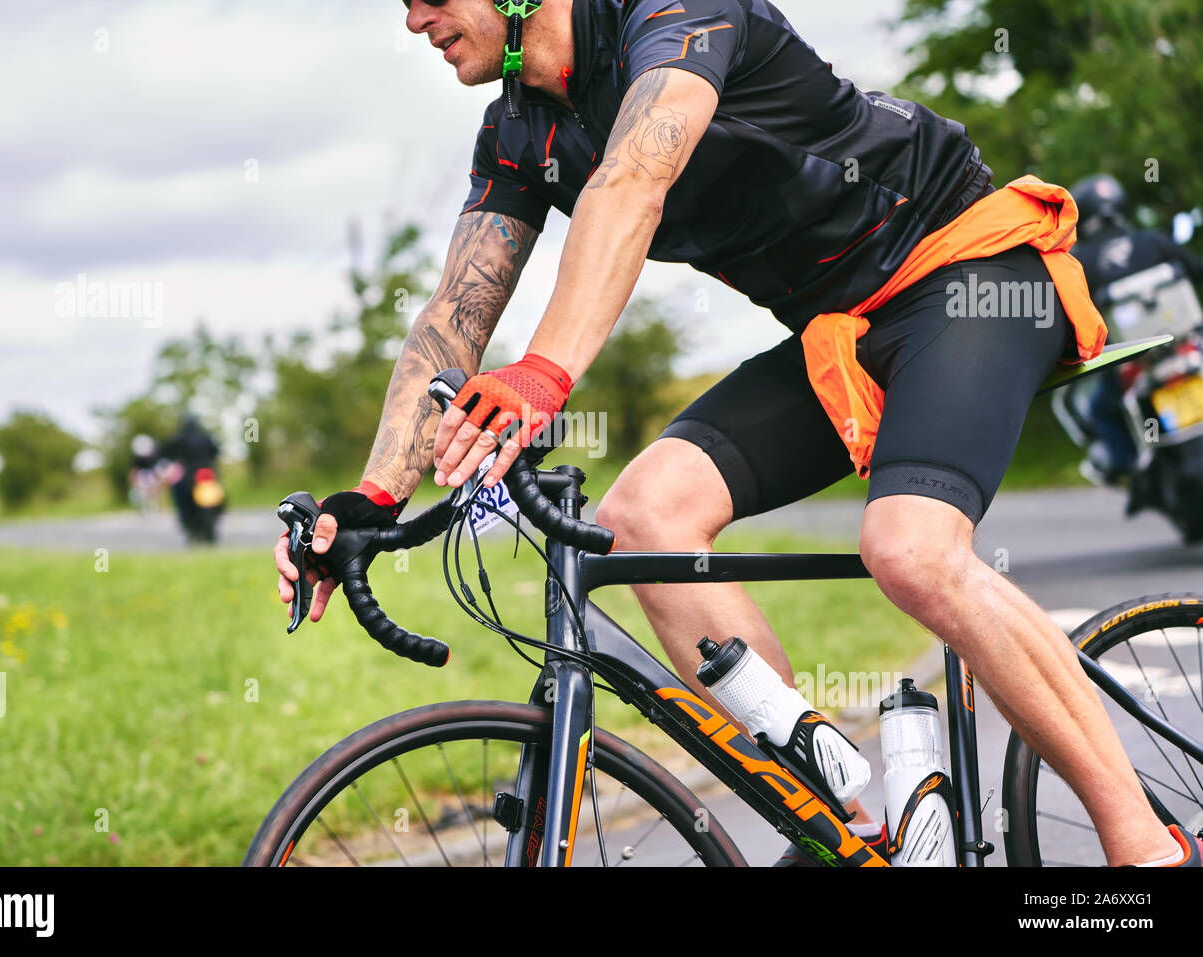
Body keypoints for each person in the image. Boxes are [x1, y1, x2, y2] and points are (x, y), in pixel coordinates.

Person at [275, 0, 1201, 866]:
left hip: (965, 271)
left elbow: (634, 180)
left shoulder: (674, 15)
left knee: (912, 551)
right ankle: (842, 820)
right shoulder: (520, 130)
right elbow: (454, 314)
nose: (411, 20)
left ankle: (1147, 850)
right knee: (644, 515)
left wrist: (542, 375)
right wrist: (370, 500)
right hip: (842, 333)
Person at [1067, 174, 1203, 481]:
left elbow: (1071, 315)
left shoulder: (1079, 262)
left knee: (1102, 409)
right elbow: (1196, 269)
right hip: (1187, 346)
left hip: (1133, 361)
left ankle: (1126, 467)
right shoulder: (1152, 241)